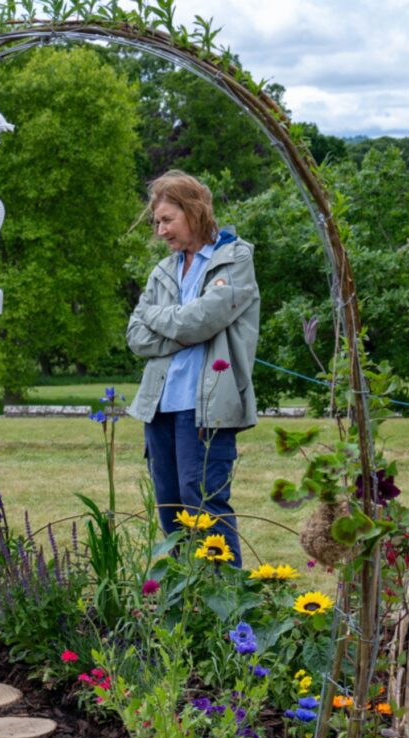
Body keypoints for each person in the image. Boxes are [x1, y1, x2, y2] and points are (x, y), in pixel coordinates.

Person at [126, 170, 261, 564]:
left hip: (207, 406)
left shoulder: (235, 259)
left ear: (194, 211)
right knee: (170, 508)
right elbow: (136, 336)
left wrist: (168, 321)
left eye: (167, 219)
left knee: (204, 504)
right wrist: (183, 329)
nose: (160, 230)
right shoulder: (163, 271)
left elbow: (200, 322)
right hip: (160, 406)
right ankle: (187, 605)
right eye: (157, 222)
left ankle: (228, 606)